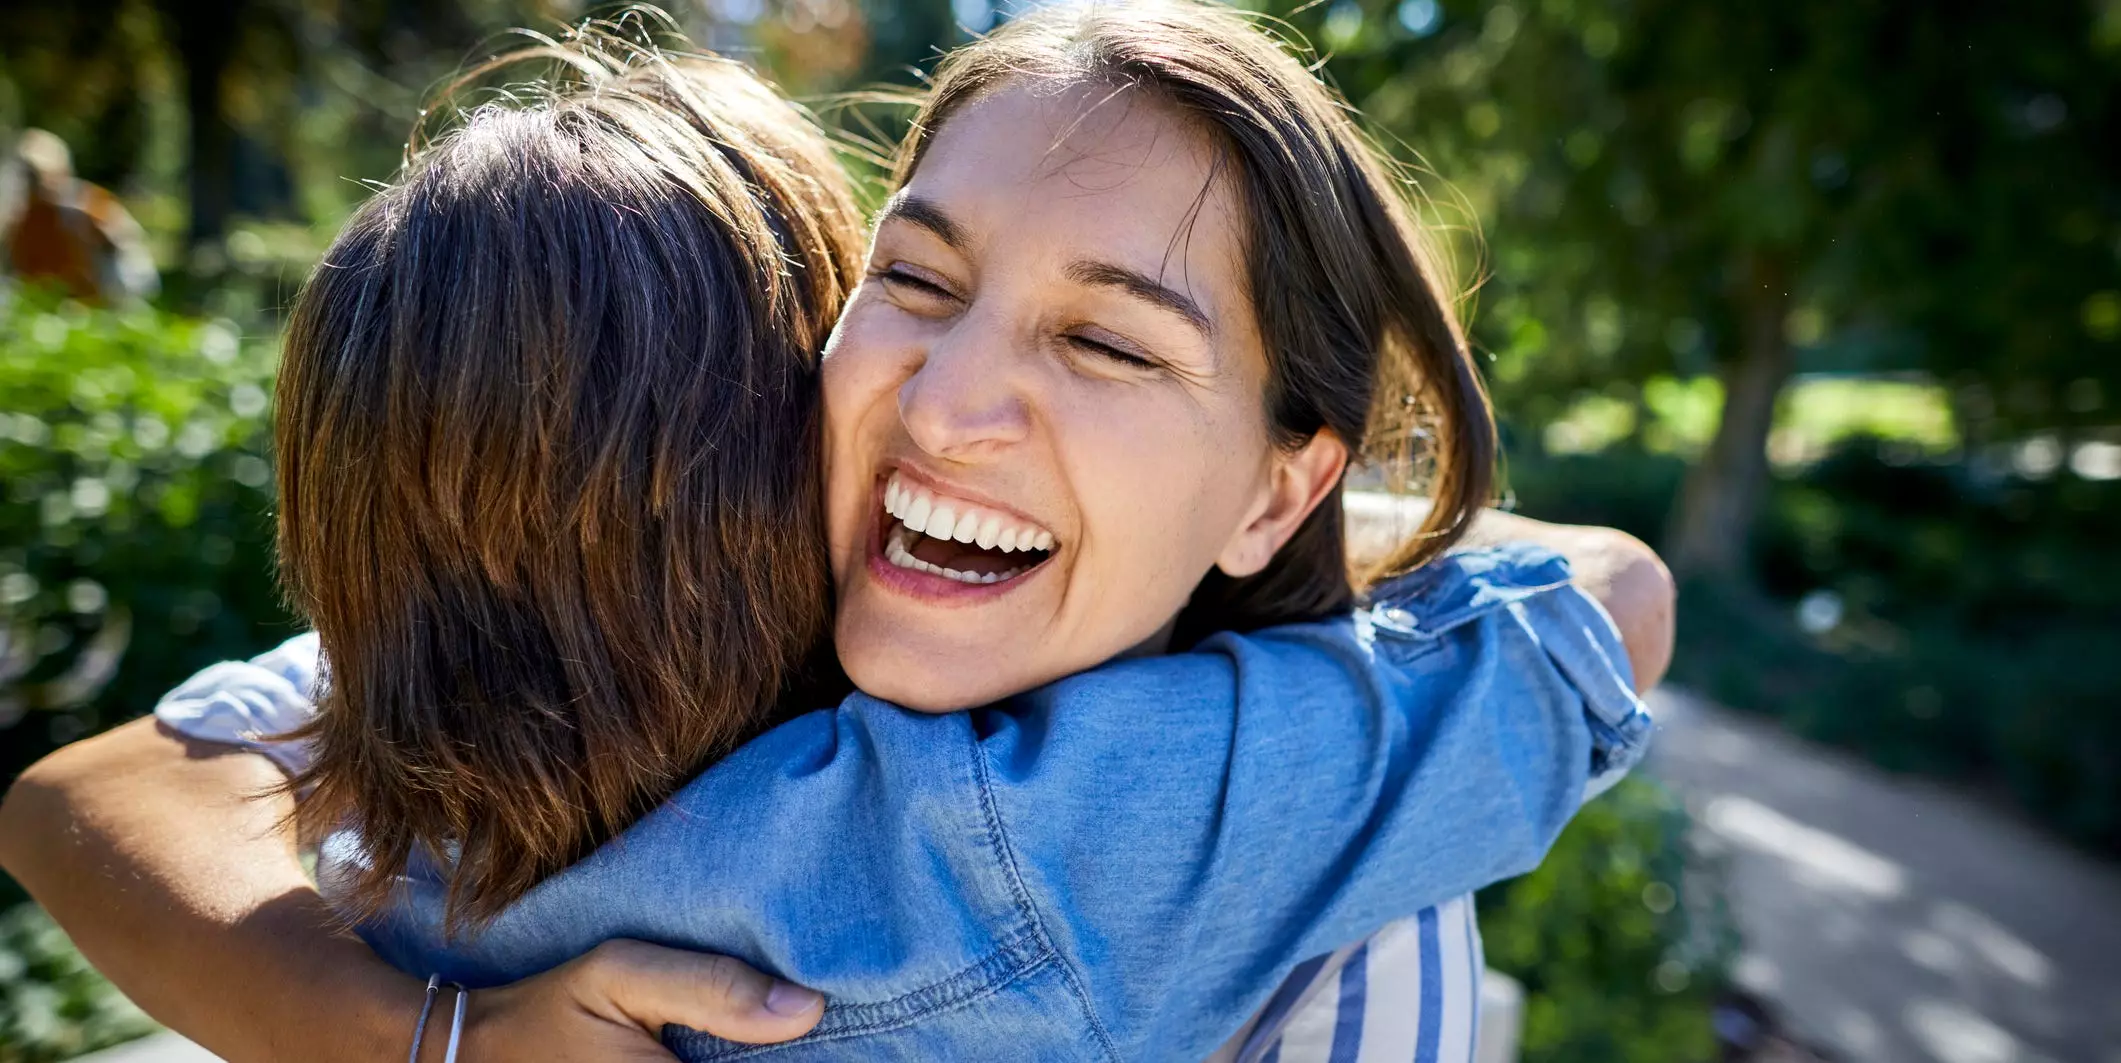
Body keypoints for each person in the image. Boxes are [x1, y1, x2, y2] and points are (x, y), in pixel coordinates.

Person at [0, 6, 1673, 1062]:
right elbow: (1609, 596)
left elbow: (92, 797)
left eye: (1106, 341)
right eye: (920, 281)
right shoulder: (727, 601)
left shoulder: (541, 685)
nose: (947, 407)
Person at [1, 128, 160, 303]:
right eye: (27, 176)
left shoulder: (88, 205)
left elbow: (129, 257)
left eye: (37, 175)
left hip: (102, 300)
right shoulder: (18, 217)